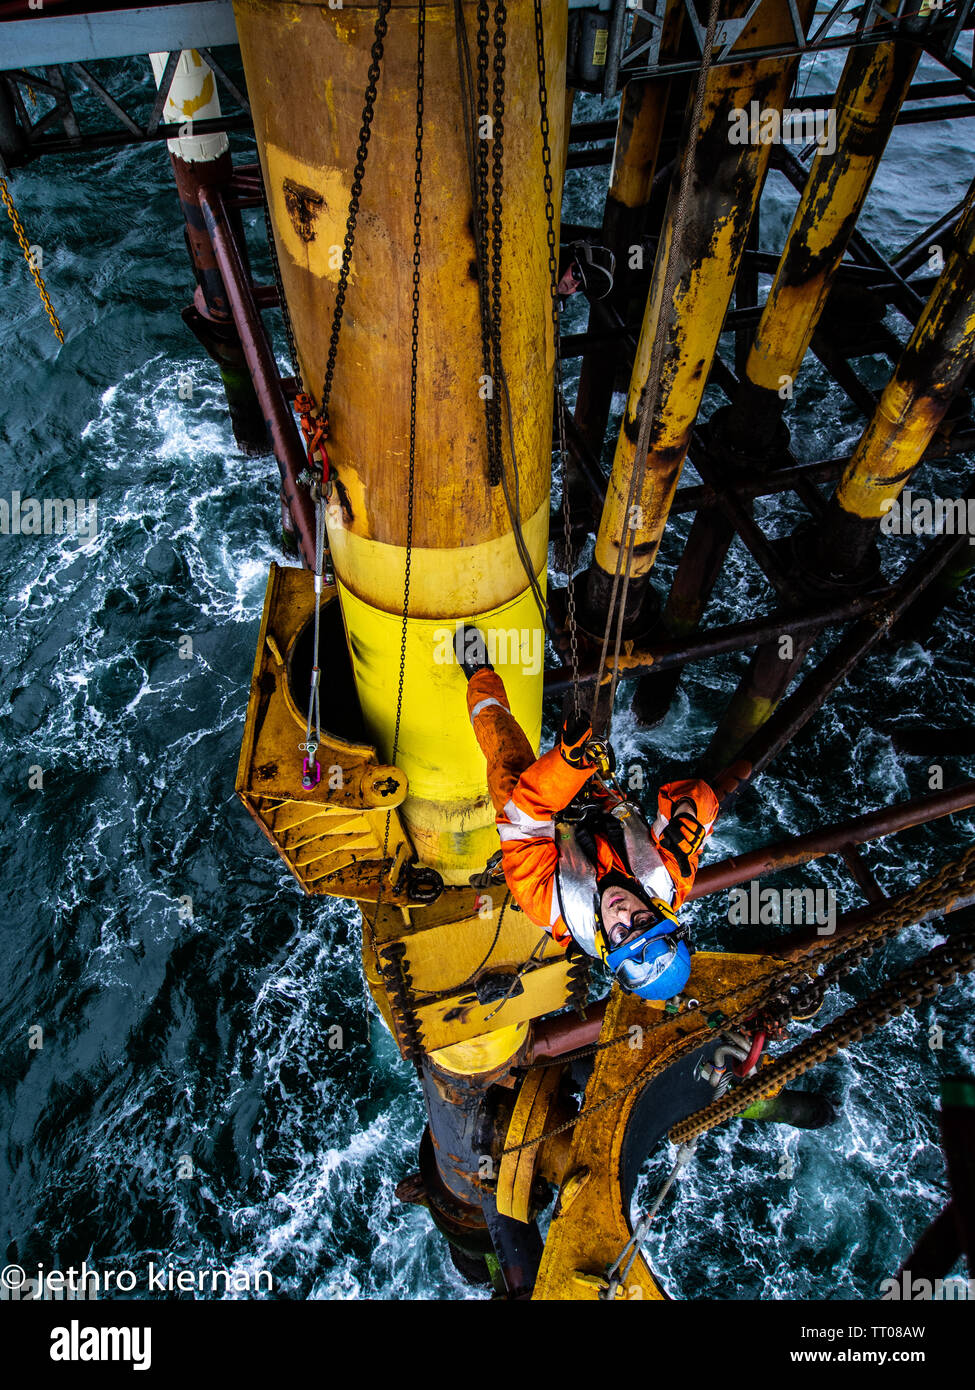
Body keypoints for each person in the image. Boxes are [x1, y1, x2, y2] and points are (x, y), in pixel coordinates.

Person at [457, 626, 724, 1002]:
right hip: (597, 803)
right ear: (660, 915)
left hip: (541, 825)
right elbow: (702, 800)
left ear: (604, 943)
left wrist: (568, 765)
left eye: (620, 933)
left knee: (507, 760)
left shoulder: (546, 902)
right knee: (584, 750)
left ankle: (479, 677)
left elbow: (525, 813)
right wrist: (689, 815)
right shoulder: (668, 880)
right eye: (643, 922)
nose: (624, 914)